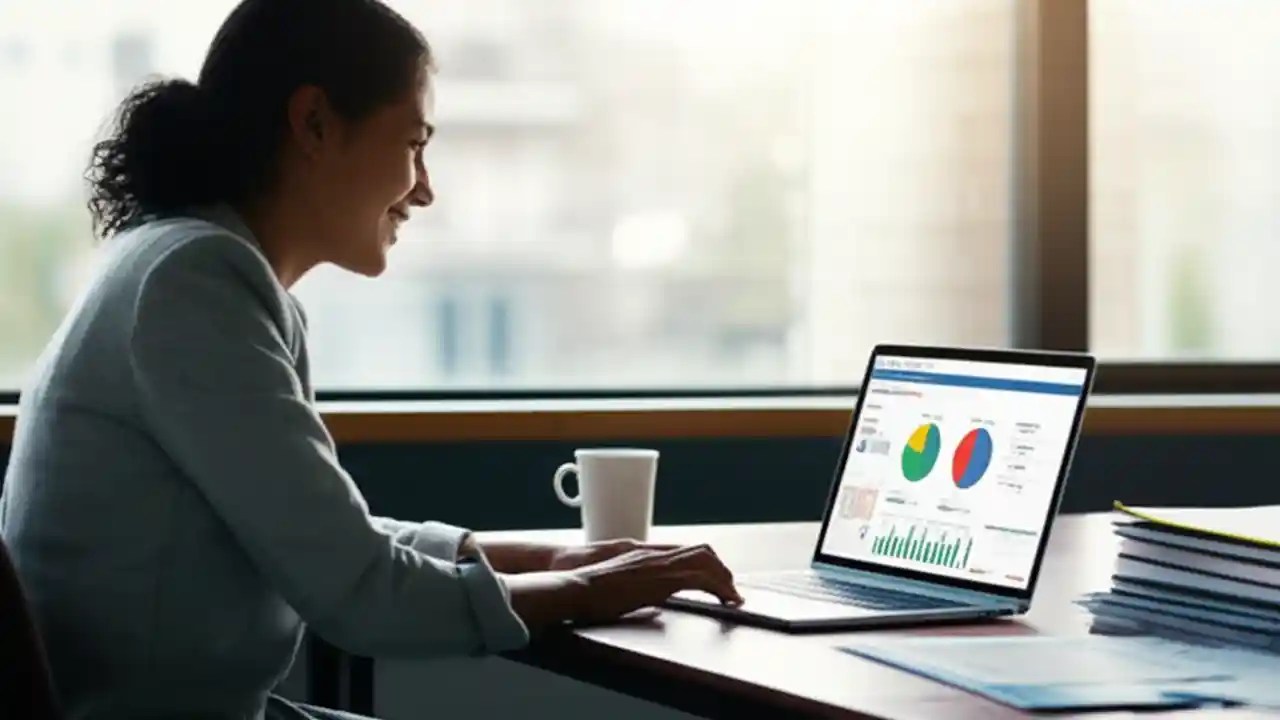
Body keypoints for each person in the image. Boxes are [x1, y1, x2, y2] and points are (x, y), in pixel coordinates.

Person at [0, 1, 743, 718]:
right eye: (415, 143)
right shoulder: (193, 285)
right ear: (315, 123)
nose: (425, 188)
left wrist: (549, 562)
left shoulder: (184, 264)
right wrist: (587, 590)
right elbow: (359, 591)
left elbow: (330, 540)